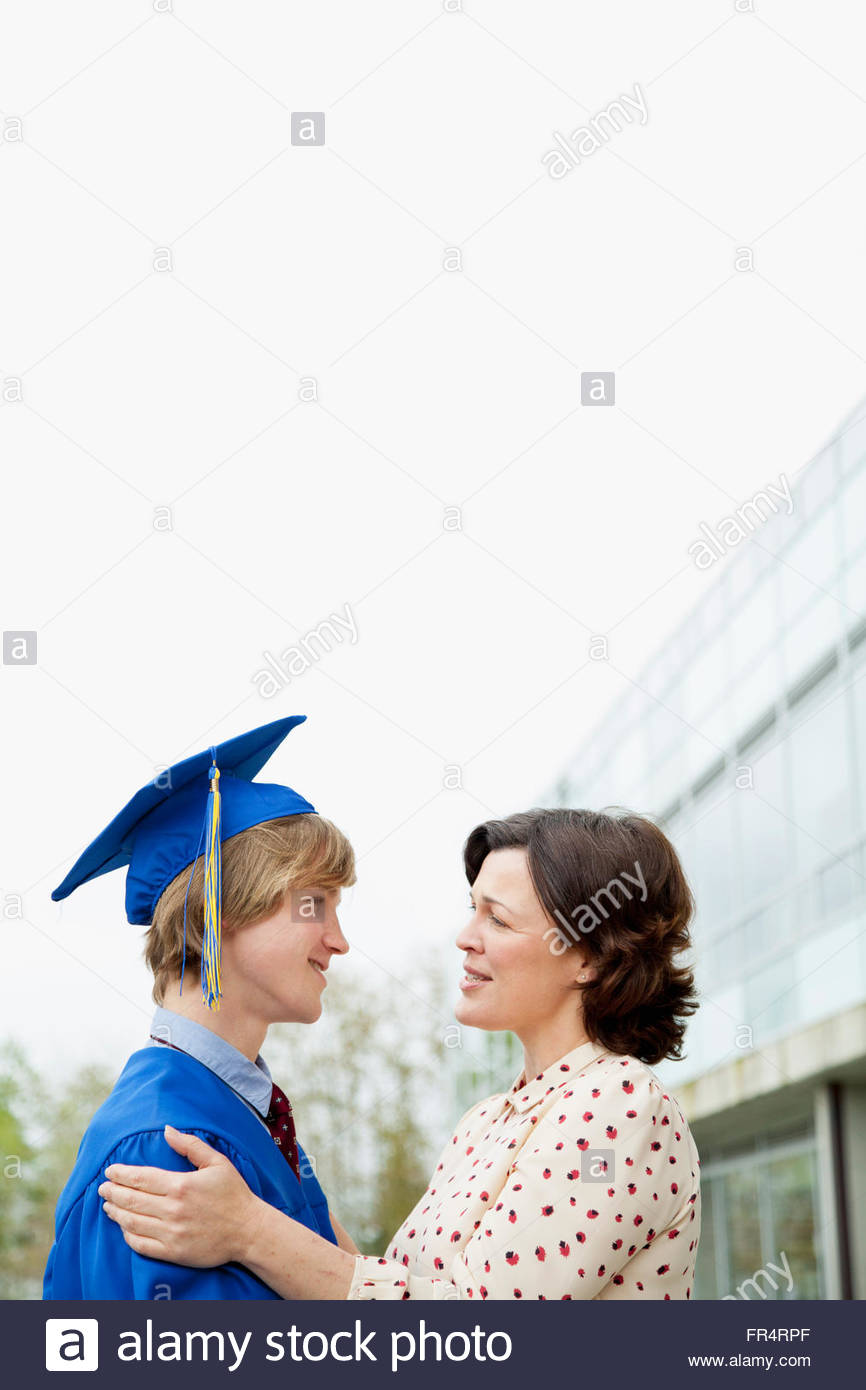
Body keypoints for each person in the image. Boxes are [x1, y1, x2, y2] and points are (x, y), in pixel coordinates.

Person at [100, 807, 703, 1300]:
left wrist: (251, 1231)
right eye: (473, 909)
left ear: (588, 957)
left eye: (498, 919)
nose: (465, 938)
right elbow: (399, 1294)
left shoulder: (620, 1109)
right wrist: (284, 1188)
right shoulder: (488, 1121)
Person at [43, 715, 359, 1300]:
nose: (339, 939)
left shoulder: (242, 1114)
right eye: (314, 903)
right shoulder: (168, 1144)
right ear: (219, 910)